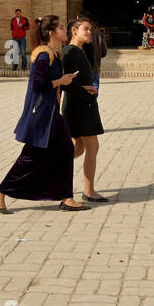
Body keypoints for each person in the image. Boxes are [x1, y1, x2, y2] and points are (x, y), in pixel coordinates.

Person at [0, 15, 86, 213]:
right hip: (43, 115)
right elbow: (38, 84)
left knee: (65, 150)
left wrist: (79, 87)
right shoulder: (44, 55)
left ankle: (66, 196)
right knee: (31, 156)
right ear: (52, 33)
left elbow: (58, 82)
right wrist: (61, 81)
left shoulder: (55, 53)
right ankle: (0, 190)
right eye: (61, 28)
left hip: (51, 113)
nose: (65, 31)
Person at [63, 17, 107, 202]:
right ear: (74, 30)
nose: (90, 33)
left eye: (91, 30)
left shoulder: (81, 50)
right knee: (92, 146)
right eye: (86, 29)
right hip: (78, 106)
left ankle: (50, 171)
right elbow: (65, 82)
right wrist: (83, 90)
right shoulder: (70, 52)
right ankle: (89, 191)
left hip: (83, 104)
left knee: (78, 148)